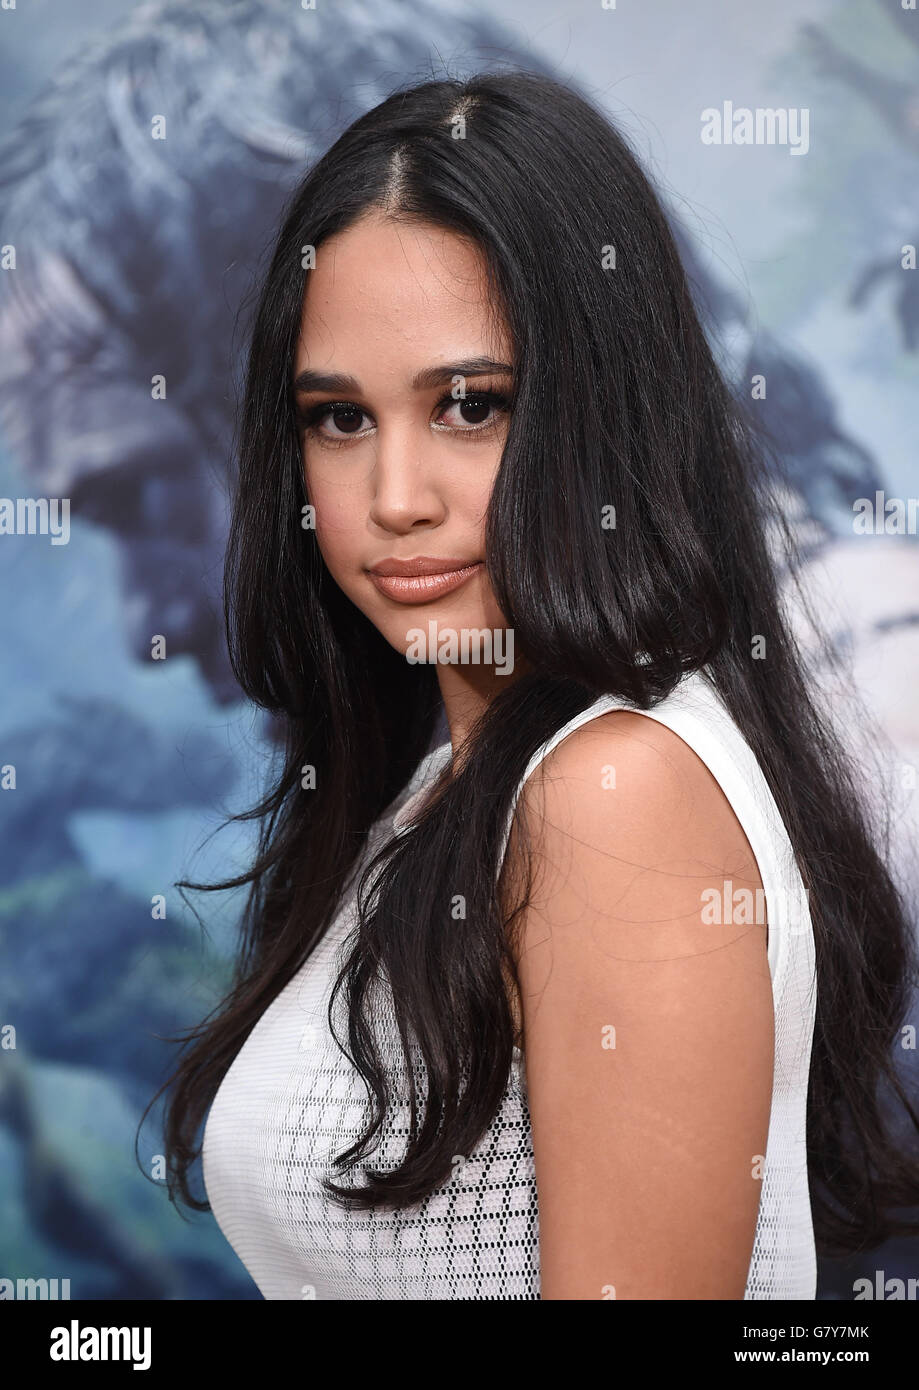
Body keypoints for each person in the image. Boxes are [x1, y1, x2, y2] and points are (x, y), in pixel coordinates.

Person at [155, 70, 919, 1300]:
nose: (395, 497)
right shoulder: (429, 787)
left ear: (600, 412)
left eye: (469, 405)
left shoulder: (614, 792)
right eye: (339, 420)